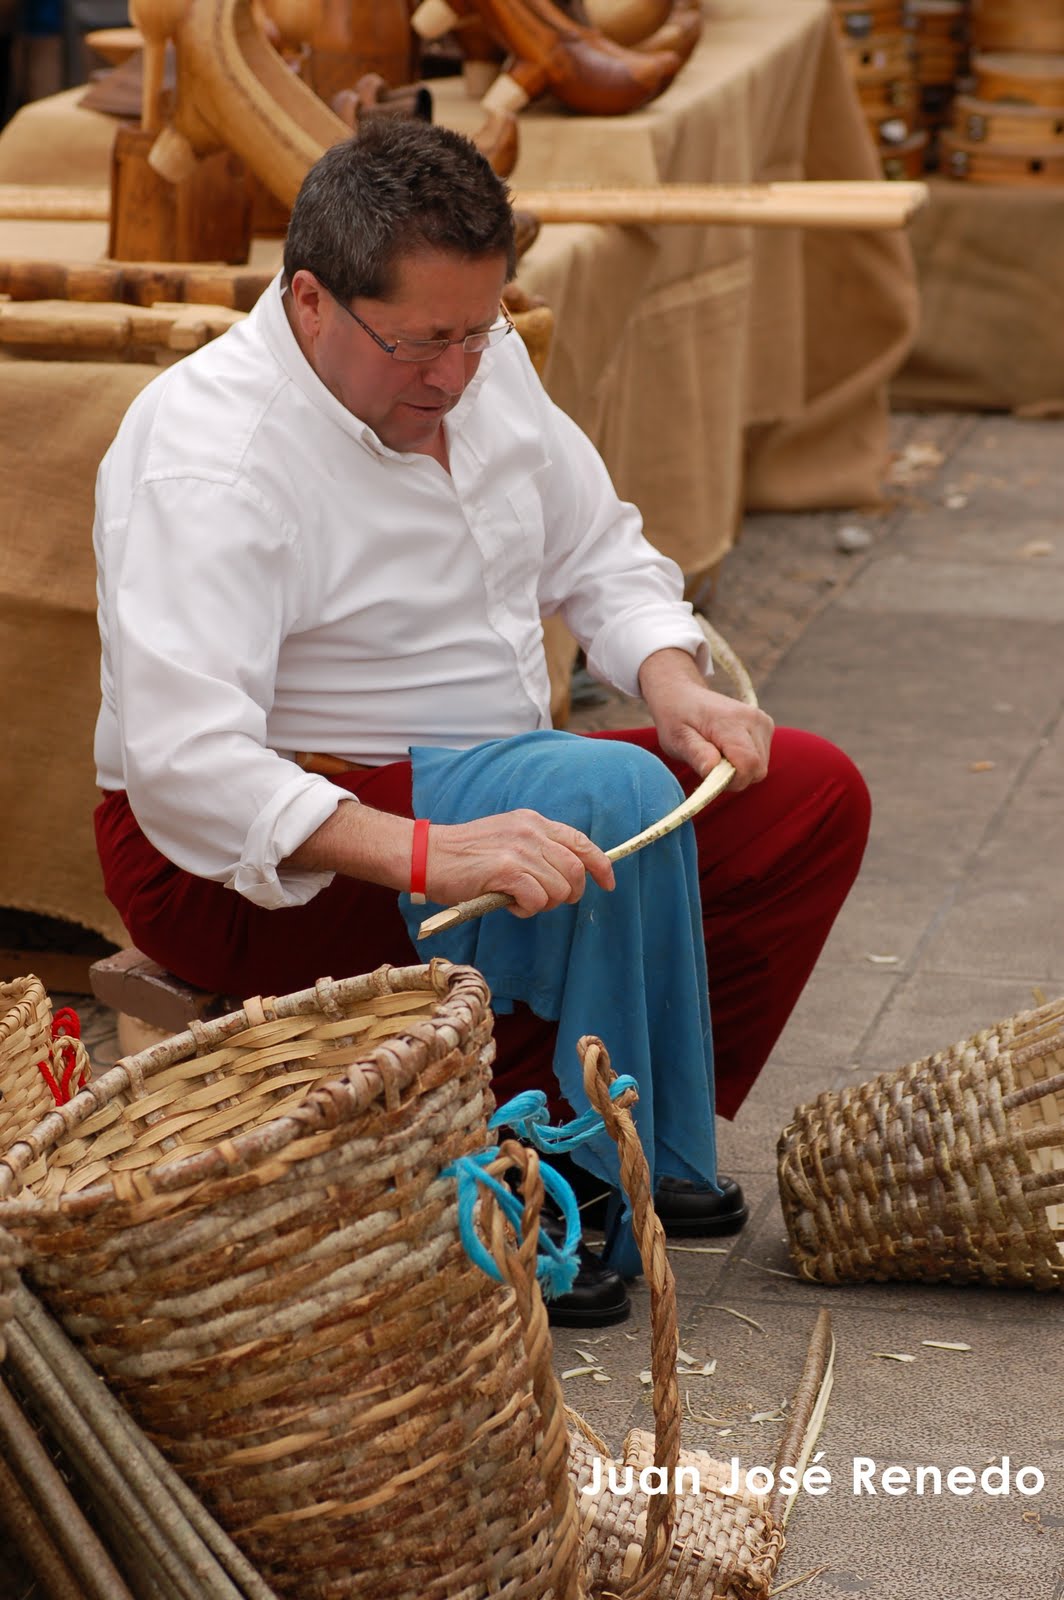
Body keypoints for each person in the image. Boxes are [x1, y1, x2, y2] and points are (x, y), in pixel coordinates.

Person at [92, 119, 870, 1326]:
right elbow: (182, 767)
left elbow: (596, 551)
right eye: (419, 343)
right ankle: (553, 1163)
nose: (454, 374)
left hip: (498, 785)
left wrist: (670, 681)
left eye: (477, 330)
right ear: (308, 303)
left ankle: (636, 1119)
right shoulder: (209, 452)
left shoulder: (474, 359)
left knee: (806, 790)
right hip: (251, 859)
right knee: (598, 801)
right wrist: (427, 850)